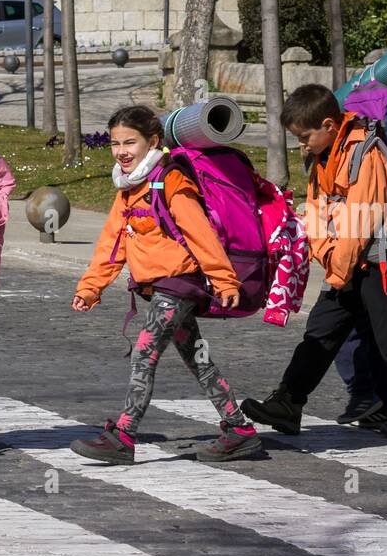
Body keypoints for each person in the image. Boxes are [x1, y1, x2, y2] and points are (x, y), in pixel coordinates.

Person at [242, 84, 387, 439]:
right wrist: (330, 259)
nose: (301, 145)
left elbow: (363, 220)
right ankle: (289, 402)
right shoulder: (323, 157)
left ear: (330, 125)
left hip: (379, 262)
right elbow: (316, 210)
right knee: (320, 334)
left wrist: (338, 270)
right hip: (345, 266)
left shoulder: (367, 154)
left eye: (305, 137)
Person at [69, 105, 263, 465]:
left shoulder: (171, 180)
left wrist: (223, 279)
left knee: (145, 351)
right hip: (159, 287)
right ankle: (240, 430)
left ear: (152, 142)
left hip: (180, 283)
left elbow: (199, 233)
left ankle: (123, 436)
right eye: (114, 143)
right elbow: (113, 242)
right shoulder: (127, 187)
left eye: (130, 142)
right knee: (197, 359)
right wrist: (90, 288)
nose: (122, 151)